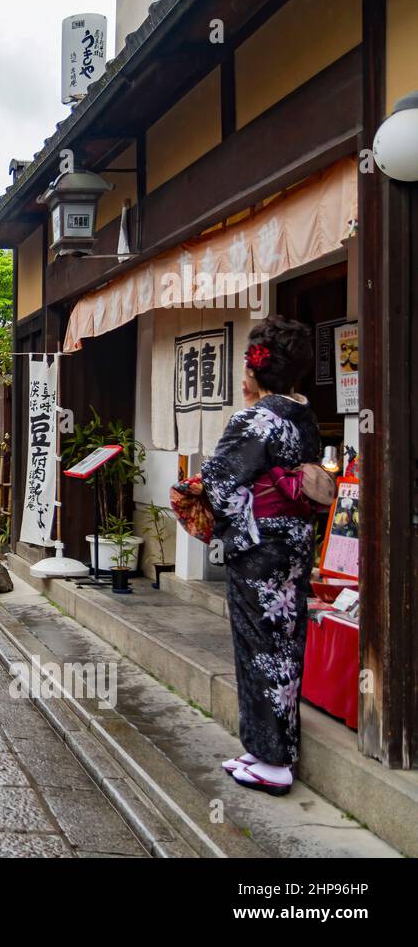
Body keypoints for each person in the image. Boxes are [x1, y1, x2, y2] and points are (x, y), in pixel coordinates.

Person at [201, 319, 320, 797]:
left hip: (259, 546)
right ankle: (266, 747)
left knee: (259, 646)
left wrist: (233, 526)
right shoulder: (301, 413)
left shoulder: (254, 419)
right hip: (294, 542)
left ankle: (272, 761)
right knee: (286, 640)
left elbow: (218, 481)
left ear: (255, 367)